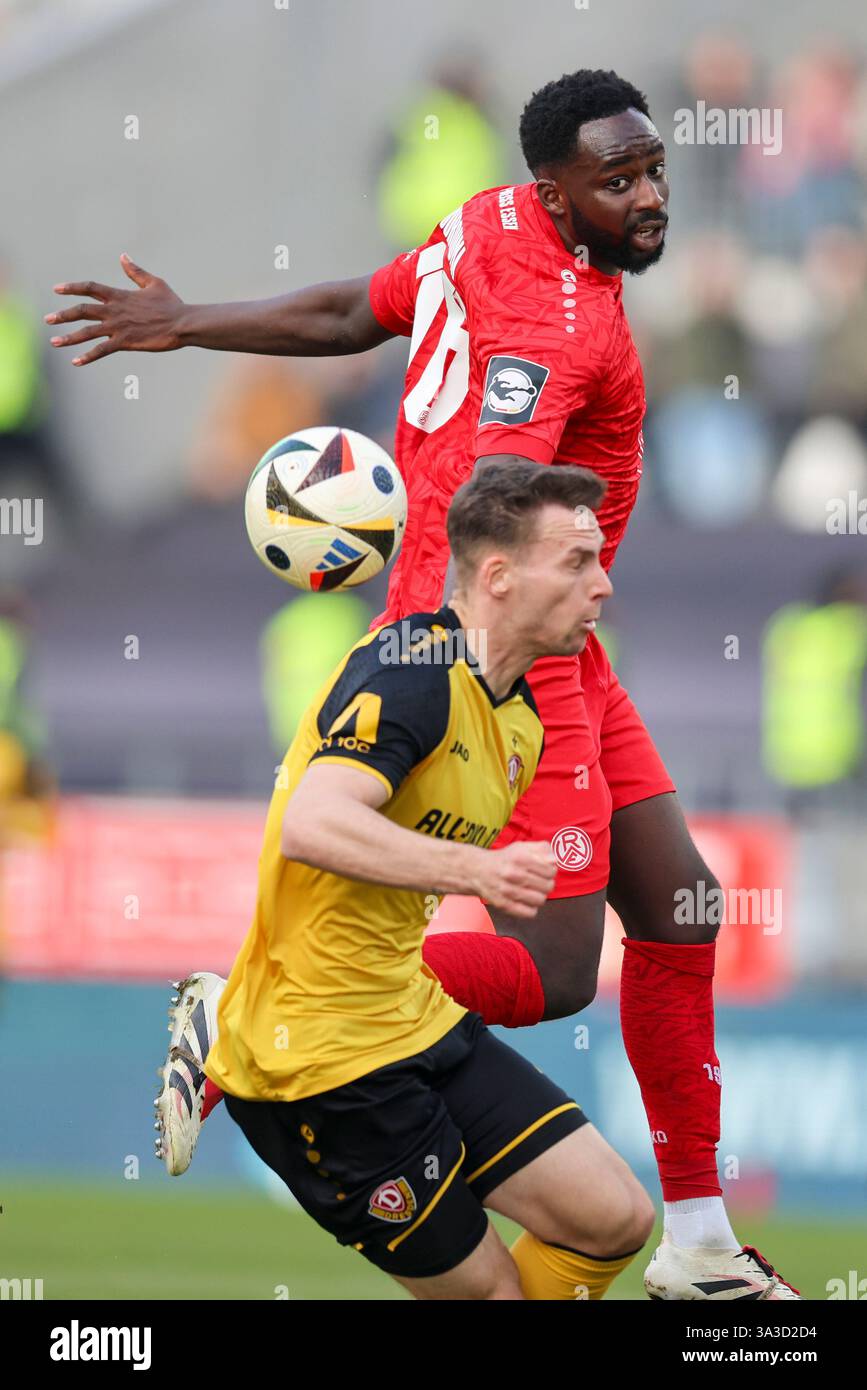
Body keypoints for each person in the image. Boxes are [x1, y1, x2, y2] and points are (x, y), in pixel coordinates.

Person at [47, 68, 800, 1301]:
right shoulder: (559, 321)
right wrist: (490, 586)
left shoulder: (487, 224)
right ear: (558, 190)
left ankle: (702, 1243)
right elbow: (500, 478)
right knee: (557, 969)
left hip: (561, 631)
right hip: (500, 644)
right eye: (619, 181)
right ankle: (245, 1021)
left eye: (655, 169)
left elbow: (359, 308)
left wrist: (193, 321)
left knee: (681, 908)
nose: (651, 196)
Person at [171, 460, 656, 1300]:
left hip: (412, 1019)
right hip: (320, 1064)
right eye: (576, 562)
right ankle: (228, 1022)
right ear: (497, 576)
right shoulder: (410, 671)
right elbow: (313, 822)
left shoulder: (518, 719)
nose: (602, 584)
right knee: (492, 1294)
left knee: (612, 1218)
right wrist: (478, 868)